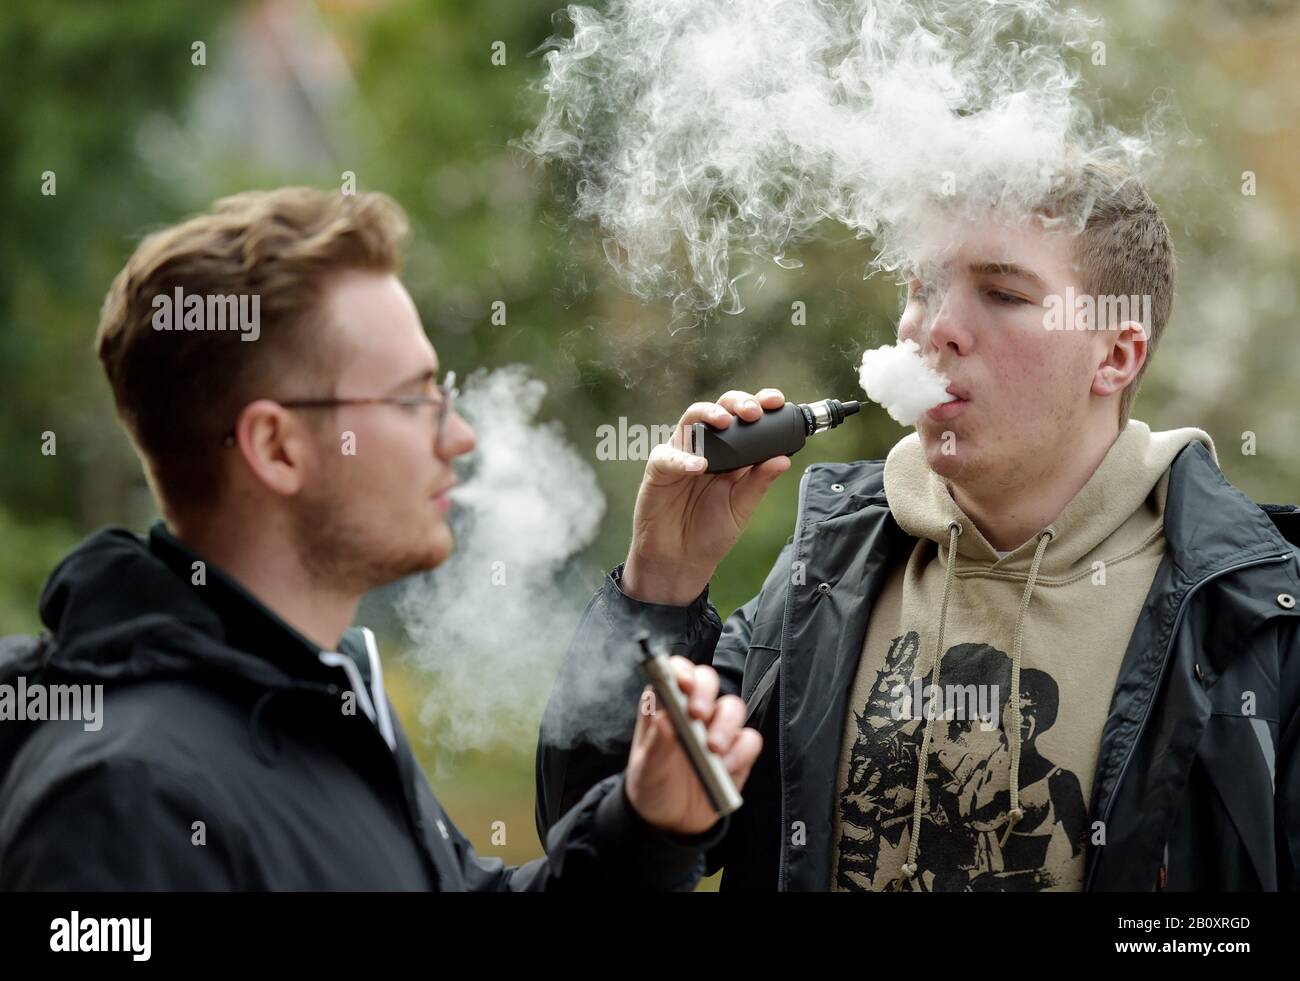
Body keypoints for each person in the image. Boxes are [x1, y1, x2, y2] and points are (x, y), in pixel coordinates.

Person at [536, 163, 1300, 891]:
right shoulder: (828, 571)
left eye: (1002, 293)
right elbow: (594, 850)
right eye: (922, 288)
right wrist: (661, 583)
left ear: (1116, 354)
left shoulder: (1253, 617)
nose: (938, 329)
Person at [0, 187, 761, 891]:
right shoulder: (127, 801)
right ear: (277, 447)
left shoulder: (323, 690)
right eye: (414, 399)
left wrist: (645, 824)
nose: (458, 436)